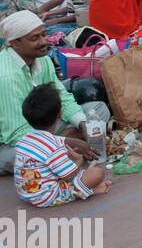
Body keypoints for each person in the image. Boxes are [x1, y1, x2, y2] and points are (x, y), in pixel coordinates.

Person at [0, 11, 108, 175]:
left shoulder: (41, 58)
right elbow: (17, 134)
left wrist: (83, 124)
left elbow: (62, 98)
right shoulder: (6, 76)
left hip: (44, 127)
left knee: (98, 110)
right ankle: (61, 149)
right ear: (14, 44)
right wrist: (65, 141)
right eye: (34, 38)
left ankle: (60, 150)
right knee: (27, 157)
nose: (44, 41)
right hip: (11, 142)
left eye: (44, 35)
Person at [12, 85, 110, 206]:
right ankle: (84, 191)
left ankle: (87, 189)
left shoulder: (23, 141)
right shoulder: (53, 145)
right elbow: (69, 176)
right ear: (60, 114)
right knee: (97, 173)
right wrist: (78, 162)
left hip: (27, 194)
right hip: (48, 196)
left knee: (78, 171)